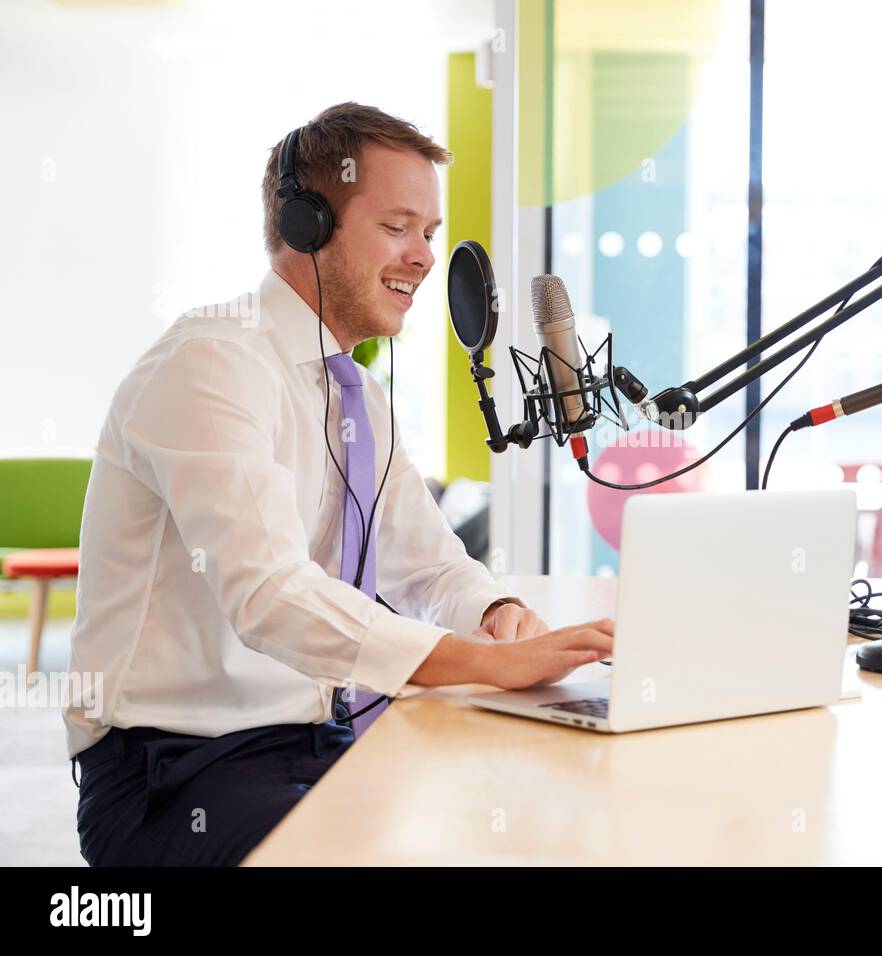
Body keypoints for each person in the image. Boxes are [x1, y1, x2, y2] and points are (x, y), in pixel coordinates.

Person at [66, 102, 614, 866]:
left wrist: (498, 613)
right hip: (180, 772)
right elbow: (269, 594)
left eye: (429, 231)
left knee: (531, 815)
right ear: (307, 227)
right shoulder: (211, 364)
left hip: (318, 738)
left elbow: (425, 560)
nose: (425, 257)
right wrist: (483, 665)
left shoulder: (359, 395)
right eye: (398, 227)